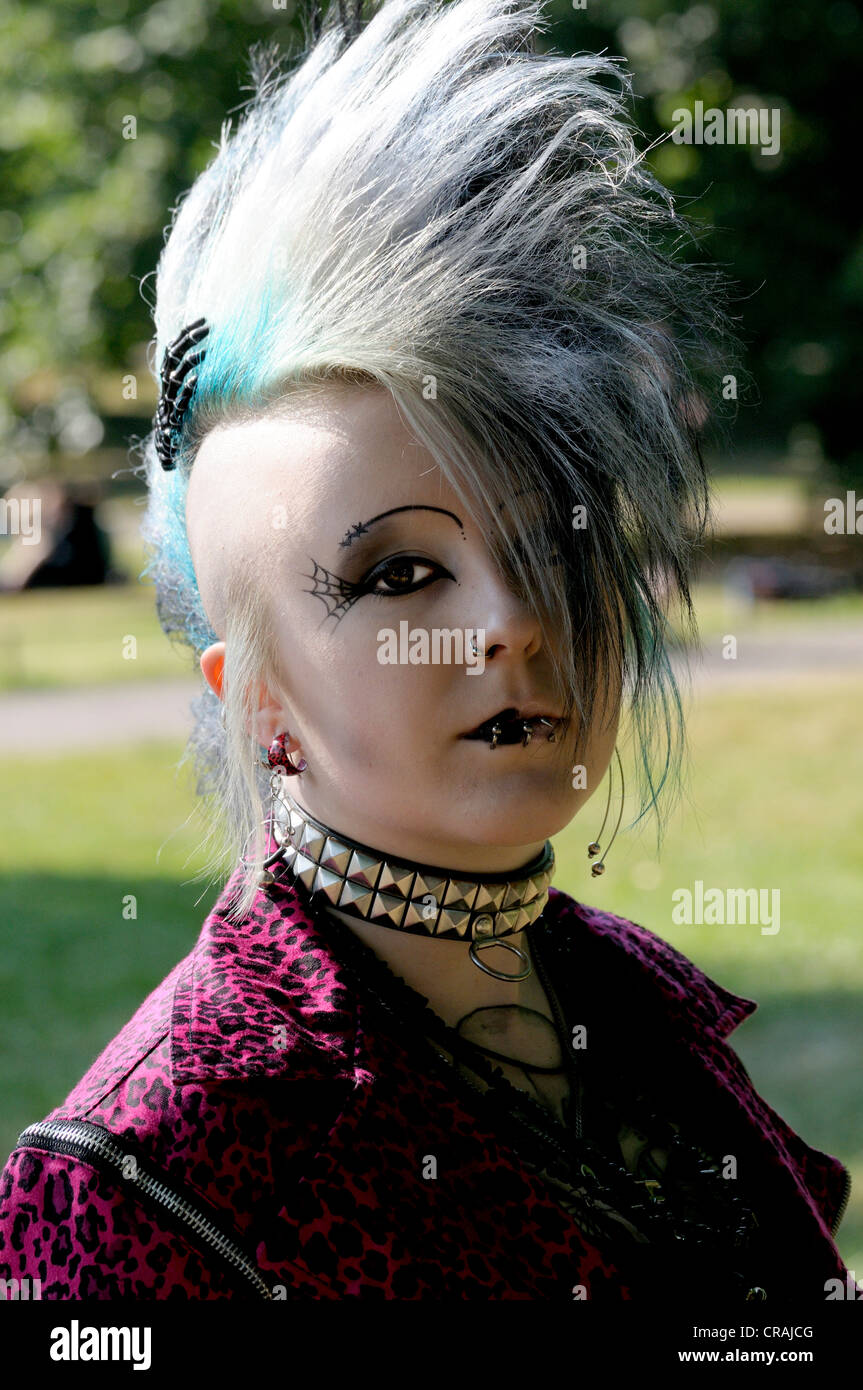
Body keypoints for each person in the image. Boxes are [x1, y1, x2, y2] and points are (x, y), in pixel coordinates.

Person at [0, 0, 852, 1302]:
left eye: (550, 540)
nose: (511, 617)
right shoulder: (135, 1187)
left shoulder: (647, 1027)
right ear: (261, 697)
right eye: (399, 571)